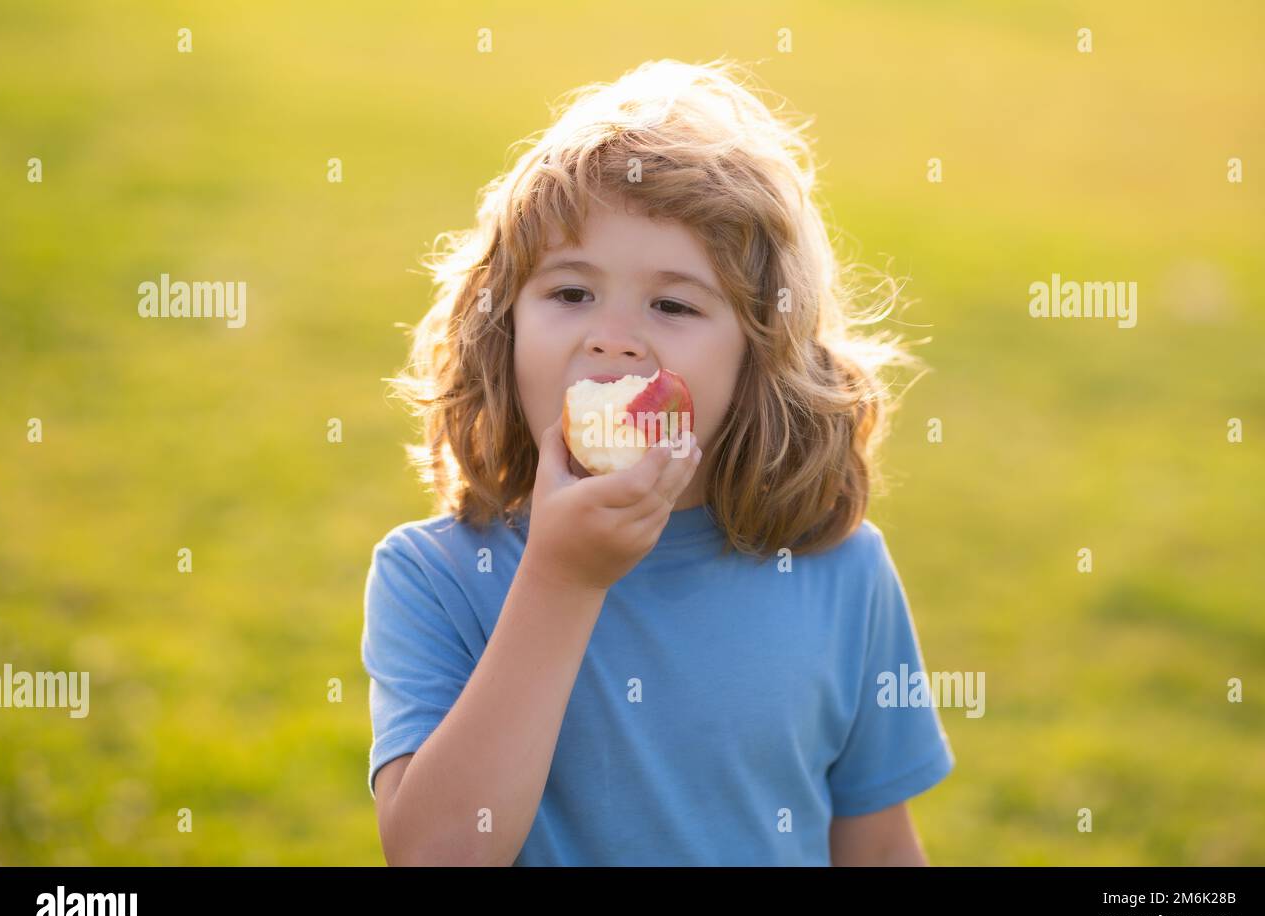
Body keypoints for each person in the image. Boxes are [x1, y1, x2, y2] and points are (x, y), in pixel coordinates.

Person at [363, 57, 954, 865]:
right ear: (502, 331)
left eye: (672, 305)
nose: (613, 336)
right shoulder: (432, 579)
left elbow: (878, 847)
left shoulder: (839, 572)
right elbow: (435, 856)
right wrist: (562, 581)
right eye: (571, 293)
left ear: (760, 361)